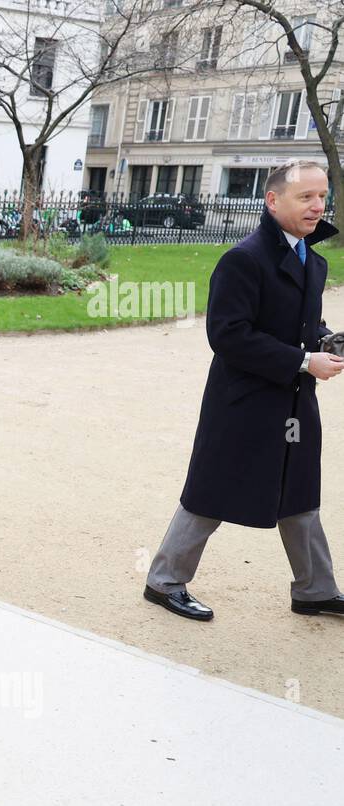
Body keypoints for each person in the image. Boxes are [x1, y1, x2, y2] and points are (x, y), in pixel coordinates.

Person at [145, 159, 344, 621]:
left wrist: (324, 340)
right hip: (243, 402)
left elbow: (303, 324)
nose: (319, 206)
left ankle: (314, 590)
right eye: (306, 197)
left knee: (300, 493)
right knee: (210, 492)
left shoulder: (313, 259)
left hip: (294, 400)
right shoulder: (243, 258)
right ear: (273, 201)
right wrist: (302, 360)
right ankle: (163, 581)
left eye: (323, 196)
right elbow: (228, 334)